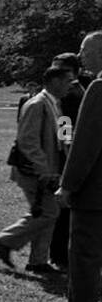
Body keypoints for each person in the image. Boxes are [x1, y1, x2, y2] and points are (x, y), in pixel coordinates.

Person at [0, 65, 73, 274]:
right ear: (54, 81)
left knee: (47, 213)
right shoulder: (36, 104)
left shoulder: (57, 104)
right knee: (49, 213)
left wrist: (70, 153)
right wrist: (45, 170)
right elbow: (28, 142)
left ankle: (37, 261)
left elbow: (64, 137)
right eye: (67, 81)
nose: (70, 86)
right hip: (35, 172)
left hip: (51, 170)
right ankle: (5, 241)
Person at [52, 32, 102, 302]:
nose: (81, 58)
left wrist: (67, 185)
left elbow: (83, 143)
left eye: (85, 51)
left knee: (83, 260)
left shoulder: (95, 88)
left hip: (93, 192)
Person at [49, 53, 86, 268]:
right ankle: (59, 255)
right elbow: (64, 129)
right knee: (62, 212)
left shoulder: (76, 93)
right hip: (66, 157)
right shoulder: (64, 95)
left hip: (74, 156)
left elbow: (65, 129)